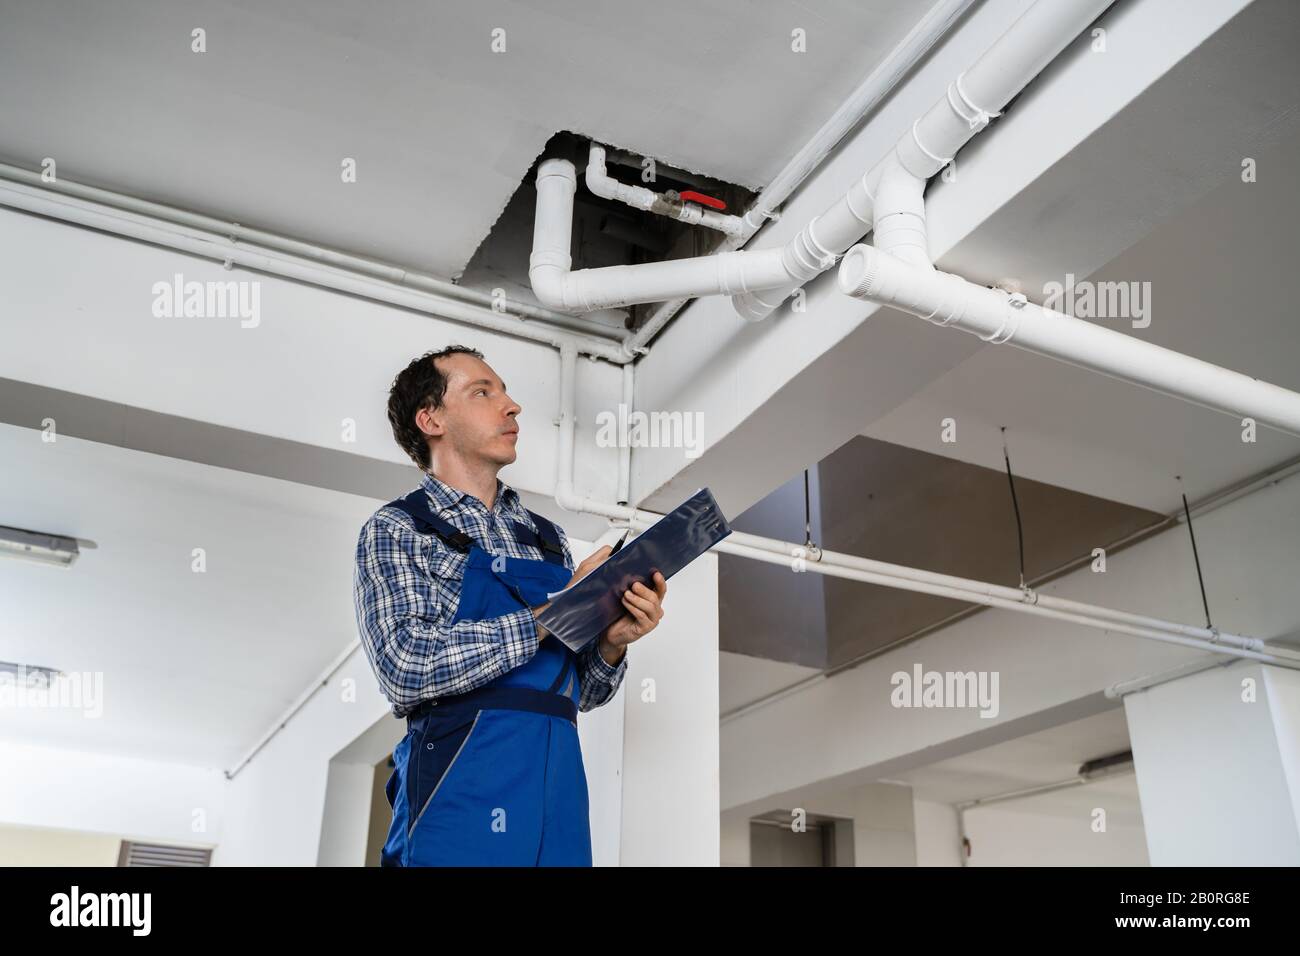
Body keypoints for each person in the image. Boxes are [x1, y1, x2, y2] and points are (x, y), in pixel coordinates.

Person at [353, 344, 668, 866]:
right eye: (483, 392)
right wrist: (561, 609)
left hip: (557, 796)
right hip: (458, 790)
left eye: (504, 390)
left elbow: (579, 693)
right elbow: (406, 667)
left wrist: (611, 644)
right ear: (431, 418)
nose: (512, 405)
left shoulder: (547, 539)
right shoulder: (398, 529)